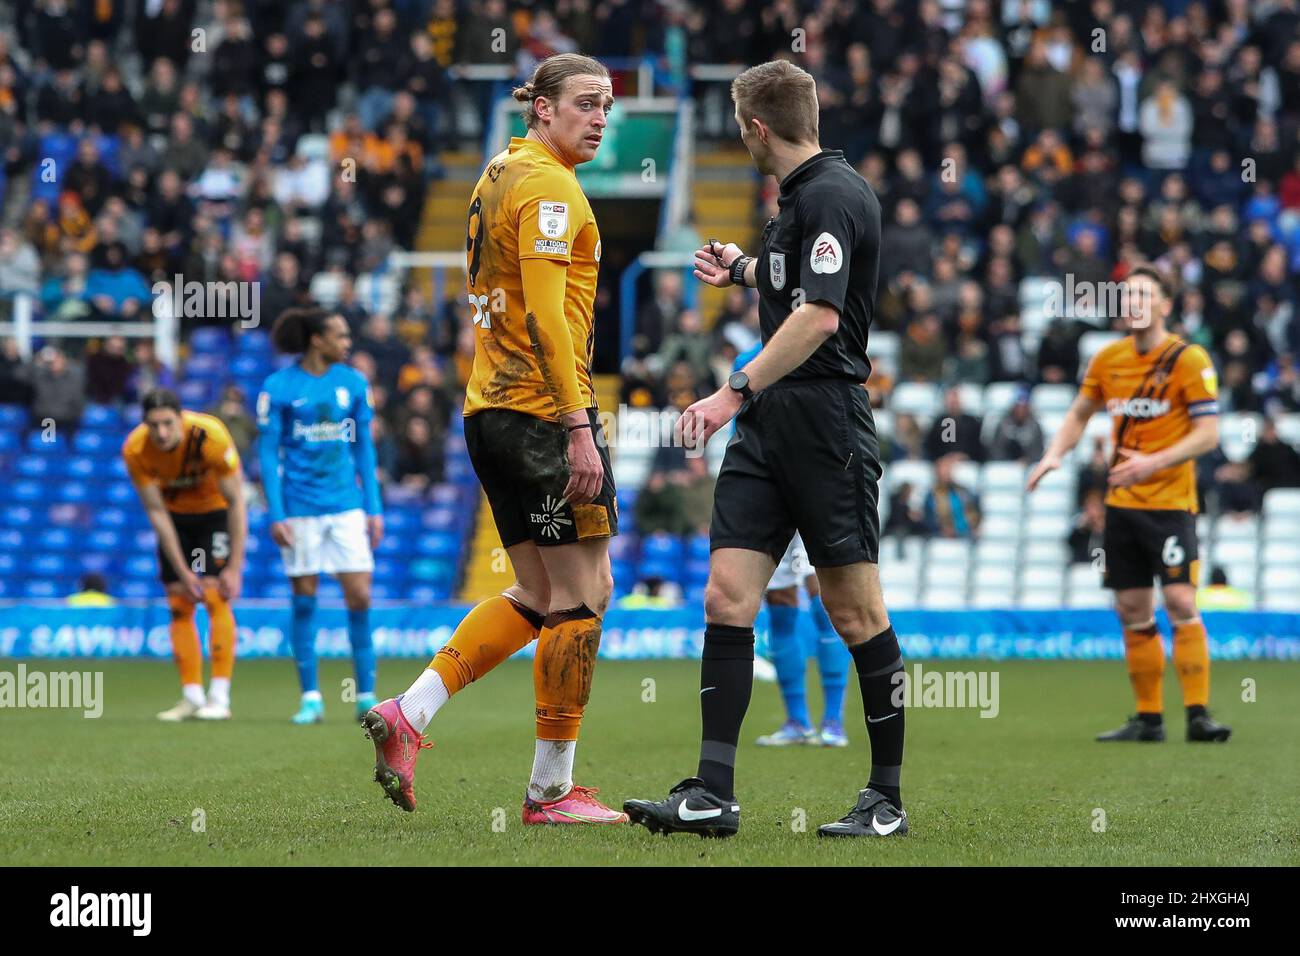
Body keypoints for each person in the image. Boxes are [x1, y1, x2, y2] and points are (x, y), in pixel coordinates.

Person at [624, 60, 908, 840]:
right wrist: (743, 269)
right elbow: (798, 280)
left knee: (854, 611)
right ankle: (712, 793)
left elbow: (820, 318)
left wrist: (730, 393)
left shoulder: (832, 195)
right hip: (770, 429)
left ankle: (885, 799)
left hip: (824, 425)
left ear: (756, 127)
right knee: (727, 597)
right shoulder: (803, 198)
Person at [362, 53, 627, 826]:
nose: (600, 117)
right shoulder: (548, 186)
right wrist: (578, 425)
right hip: (544, 413)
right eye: (584, 102)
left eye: (606, 105)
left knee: (545, 595)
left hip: (491, 411)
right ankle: (551, 793)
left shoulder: (497, 174)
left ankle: (409, 711)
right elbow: (545, 314)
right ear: (541, 108)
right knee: (582, 598)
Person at [1027, 265, 1232, 744]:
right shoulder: (1108, 359)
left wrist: (1151, 462)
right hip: (1122, 506)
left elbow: (1209, 434)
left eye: (1144, 295)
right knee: (1132, 608)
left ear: (1165, 305)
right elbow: (1080, 412)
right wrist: (1054, 455)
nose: (1134, 303)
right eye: (1127, 296)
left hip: (1171, 505)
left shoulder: (1187, 358)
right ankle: (1149, 719)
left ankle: (1199, 715)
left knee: (1180, 599)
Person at [257, 307, 384, 725]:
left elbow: (365, 448)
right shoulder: (278, 387)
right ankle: (311, 697)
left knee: (360, 597)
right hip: (300, 508)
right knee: (305, 600)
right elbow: (266, 452)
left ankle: (365, 695)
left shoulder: (353, 383)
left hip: (346, 505)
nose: (347, 344)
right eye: (341, 336)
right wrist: (276, 513)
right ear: (317, 339)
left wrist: (374, 508)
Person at [122, 388, 246, 721]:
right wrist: (182, 569)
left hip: (214, 515)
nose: (161, 433)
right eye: (153, 425)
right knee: (179, 604)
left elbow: (237, 501)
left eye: (167, 423)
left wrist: (234, 566)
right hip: (175, 520)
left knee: (215, 596)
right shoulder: (135, 450)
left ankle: (219, 696)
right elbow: (156, 513)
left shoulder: (212, 436)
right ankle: (191, 696)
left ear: (181, 417)